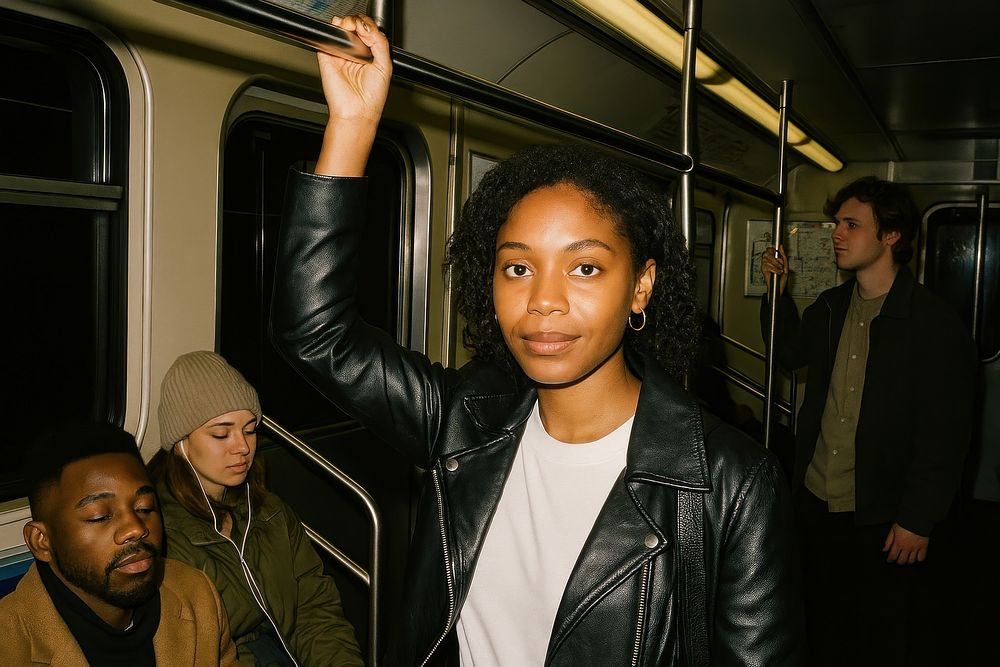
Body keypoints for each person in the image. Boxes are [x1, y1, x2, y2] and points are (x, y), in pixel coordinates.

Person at [270, 15, 802, 665]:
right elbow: (314, 329)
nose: (543, 300)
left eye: (584, 268)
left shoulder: (729, 483)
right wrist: (352, 128)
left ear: (641, 287)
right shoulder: (466, 420)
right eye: (518, 267)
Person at [760, 176, 978, 665]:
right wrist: (777, 295)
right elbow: (788, 353)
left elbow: (945, 434)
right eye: (837, 223)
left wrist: (917, 519)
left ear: (890, 236)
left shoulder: (932, 324)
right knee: (820, 622)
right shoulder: (832, 308)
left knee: (878, 633)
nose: (838, 233)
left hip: (883, 512)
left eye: (852, 224)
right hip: (818, 500)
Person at [149, 350, 363, 667]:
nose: (243, 447)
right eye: (221, 434)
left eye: (249, 430)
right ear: (181, 443)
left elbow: (314, 610)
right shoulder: (161, 535)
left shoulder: (269, 511)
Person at [0, 421, 238, 666]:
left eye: (144, 507)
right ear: (42, 541)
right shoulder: (10, 645)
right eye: (100, 516)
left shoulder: (196, 594)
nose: (137, 528)